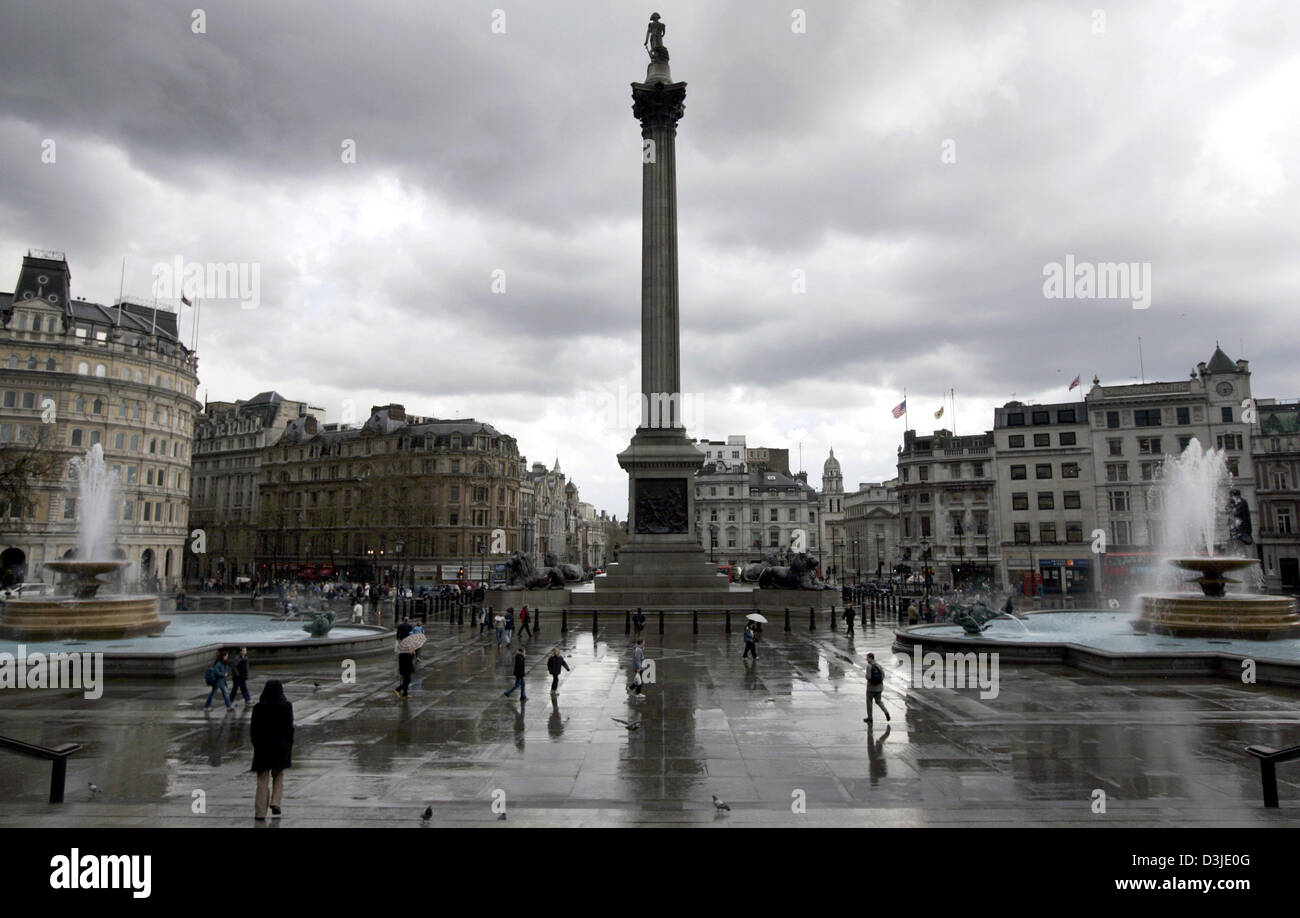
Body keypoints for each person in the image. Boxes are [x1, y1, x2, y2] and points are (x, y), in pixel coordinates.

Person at [250, 680, 294, 820]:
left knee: (262, 780)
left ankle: (260, 812)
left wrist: (256, 744)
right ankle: (275, 802)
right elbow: (289, 729)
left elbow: (253, 730)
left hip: (263, 748)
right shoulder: (287, 706)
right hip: (281, 748)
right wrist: (289, 745)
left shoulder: (258, 708)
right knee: (278, 775)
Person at [863, 652, 890, 724]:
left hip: (871, 688)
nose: (866, 659)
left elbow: (868, 677)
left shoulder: (869, 666)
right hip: (879, 687)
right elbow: (883, 675)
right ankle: (886, 712)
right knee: (878, 701)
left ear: (870, 658)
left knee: (869, 702)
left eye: (867, 658)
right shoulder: (878, 665)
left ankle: (870, 718)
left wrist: (865, 676)